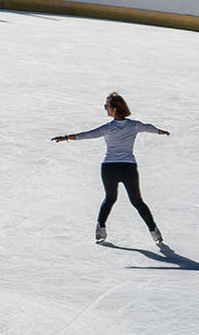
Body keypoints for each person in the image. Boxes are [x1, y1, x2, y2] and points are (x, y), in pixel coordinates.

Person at [54, 92, 171, 245]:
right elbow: (148, 127)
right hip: (128, 168)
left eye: (106, 106)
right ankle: (154, 232)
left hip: (109, 168)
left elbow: (89, 134)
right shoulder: (134, 125)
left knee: (110, 198)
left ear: (114, 109)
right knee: (137, 201)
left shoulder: (108, 128)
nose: (105, 108)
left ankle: (100, 228)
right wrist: (159, 131)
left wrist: (67, 137)